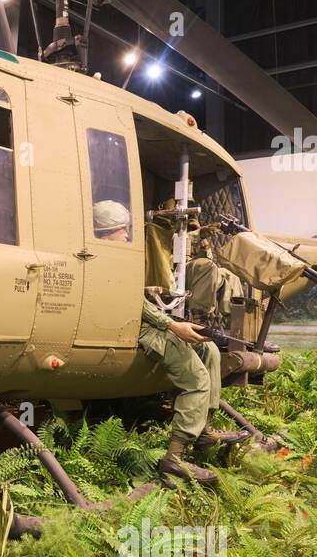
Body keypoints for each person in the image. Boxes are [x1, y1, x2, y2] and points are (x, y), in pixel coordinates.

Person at [95, 201, 235, 484]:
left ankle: (204, 431)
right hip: (134, 329)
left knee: (208, 350)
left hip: (146, 323)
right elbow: (133, 303)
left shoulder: (118, 256)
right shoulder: (103, 260)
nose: (126, 235)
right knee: (197, 380)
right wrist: (172, 324)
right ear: (106, 232)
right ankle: (174, 459)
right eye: (121, 229)